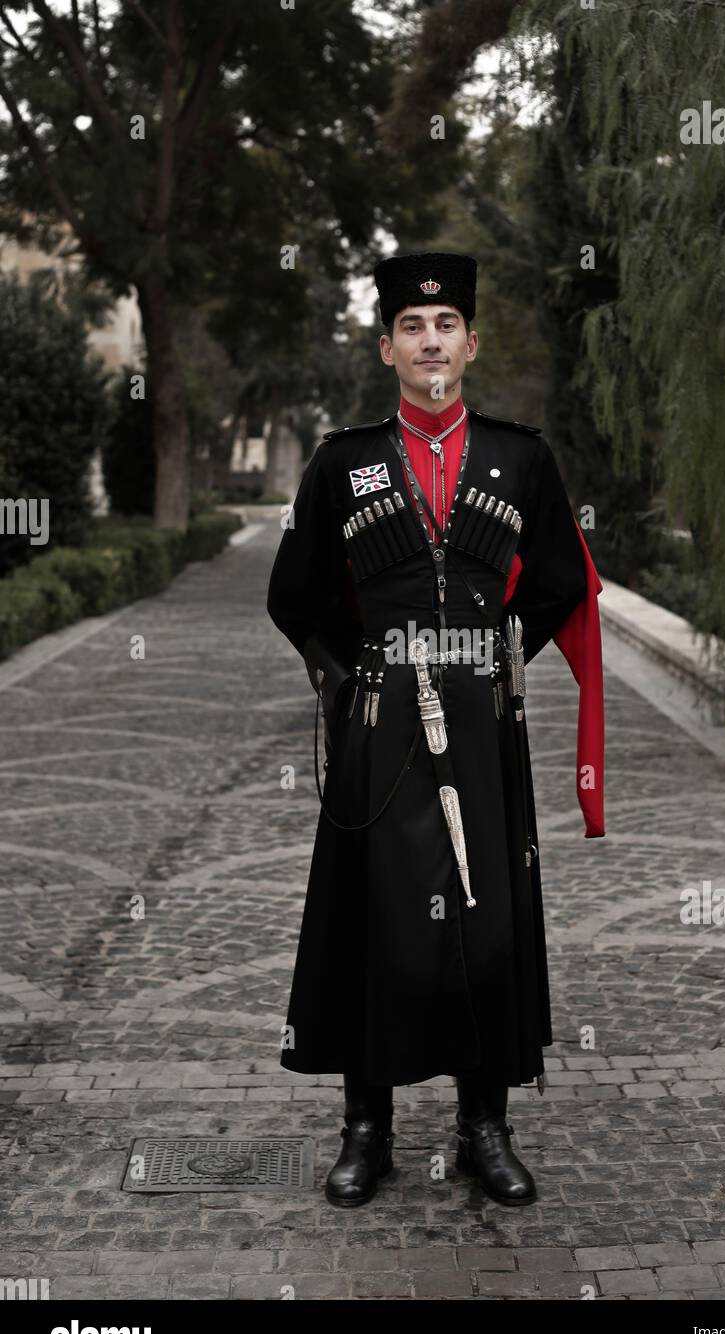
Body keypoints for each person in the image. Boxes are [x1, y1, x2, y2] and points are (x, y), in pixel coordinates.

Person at [266, 250, 605, 1209]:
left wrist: (499, 659)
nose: (430, 341)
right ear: (387, 347)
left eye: (446, 324)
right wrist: (353, 681)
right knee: (372, 920)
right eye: (412, 328)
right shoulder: (342, 462)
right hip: (379, 727)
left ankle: (484, 1124)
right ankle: (365, 1131)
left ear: (471, 340)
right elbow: (293, 597)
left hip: (480, 721)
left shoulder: (521, 457)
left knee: (484, 918)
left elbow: (557, 582)